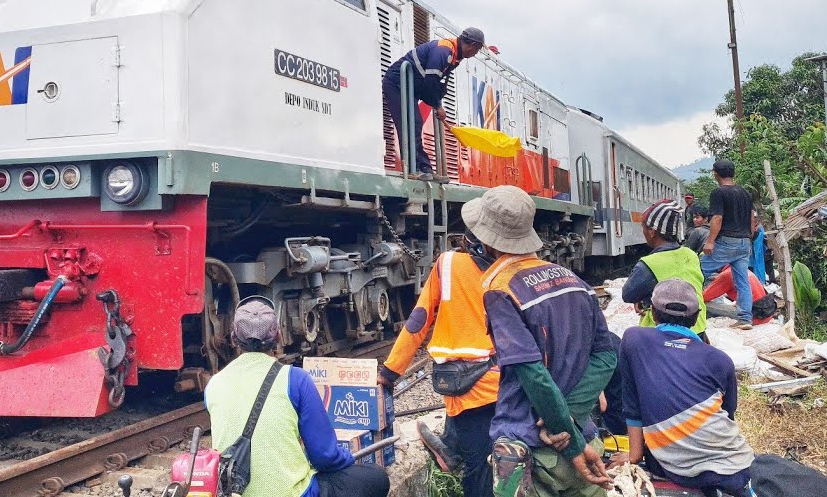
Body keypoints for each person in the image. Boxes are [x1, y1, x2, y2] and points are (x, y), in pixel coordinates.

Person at [470, 186, 616, 496]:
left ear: (486, 240)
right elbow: (606, 358)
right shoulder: (576, 281)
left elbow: (532, 372)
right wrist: (573, 420)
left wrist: (566, 434)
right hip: (582, 436)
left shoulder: (500, 290)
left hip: (531, 447)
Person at [204, 296, 389, 497]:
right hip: (293, 493)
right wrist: (348, 460)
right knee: (376, 477)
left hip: (234, 492)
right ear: (279, 336)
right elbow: (324, 456)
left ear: (233, 339)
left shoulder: (213, 385)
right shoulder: (296, 379)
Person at [379, 231, 497, 497]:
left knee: (479, 471)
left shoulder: (448, 264)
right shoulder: (517, 269)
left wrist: (390, 372)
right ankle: (450, 444)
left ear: (467, 240)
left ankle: (453, 450)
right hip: (512, 381)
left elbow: (419, 321)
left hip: (468, 387)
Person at [613, 279, 754, 496]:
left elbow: (632, 406)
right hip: (733, 469)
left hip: (670, 467)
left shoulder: (634, 339)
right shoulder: (719, 359)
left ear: (653, 313)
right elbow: (728, 414)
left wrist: (633, 456)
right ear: (697, 316)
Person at [383, 27, 485, 179]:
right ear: (473, 45)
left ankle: (425, 168)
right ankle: (414, 169)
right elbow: (430, 83)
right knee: (411, 123)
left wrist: (436, 101)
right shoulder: (444, 51)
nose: (475, 54)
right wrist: (438, 106)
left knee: (416, 123)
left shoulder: (455, 54)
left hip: (412, 87)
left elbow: (431, 84)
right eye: (477, 51)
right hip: (397, 84)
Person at [621, 200, 707, 338]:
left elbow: (628, 295)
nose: (643, 232)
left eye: (643, 227)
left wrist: (643, 299)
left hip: (662, 335)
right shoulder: (690, 254)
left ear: (652, 231)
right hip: (697, 329)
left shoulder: (649, 263)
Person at [701, 160, 755, 330]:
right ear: (733, 173)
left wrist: (710, 241)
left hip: (726, 242)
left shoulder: (718, 192)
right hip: (744, 242)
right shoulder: (745, 193)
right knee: (742, 281)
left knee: (696, 268)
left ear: (715, 174)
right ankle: (745, 319)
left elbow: (717, 218)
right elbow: (753, 217)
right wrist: (748, 236)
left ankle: (685, 306)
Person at [704, 266, 777, 325]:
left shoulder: (726, 275)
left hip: (754, 316)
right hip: (765, 313)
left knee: (702, 303)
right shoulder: (744, 270)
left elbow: (704, 297)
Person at [749, 211, 769, 284]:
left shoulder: (759, 228)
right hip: (751, 253)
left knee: (758, 264)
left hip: (759, 251)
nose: (753, 219)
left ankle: (760, 281)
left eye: (755, 218)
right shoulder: (750, 227)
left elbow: (762, 238)